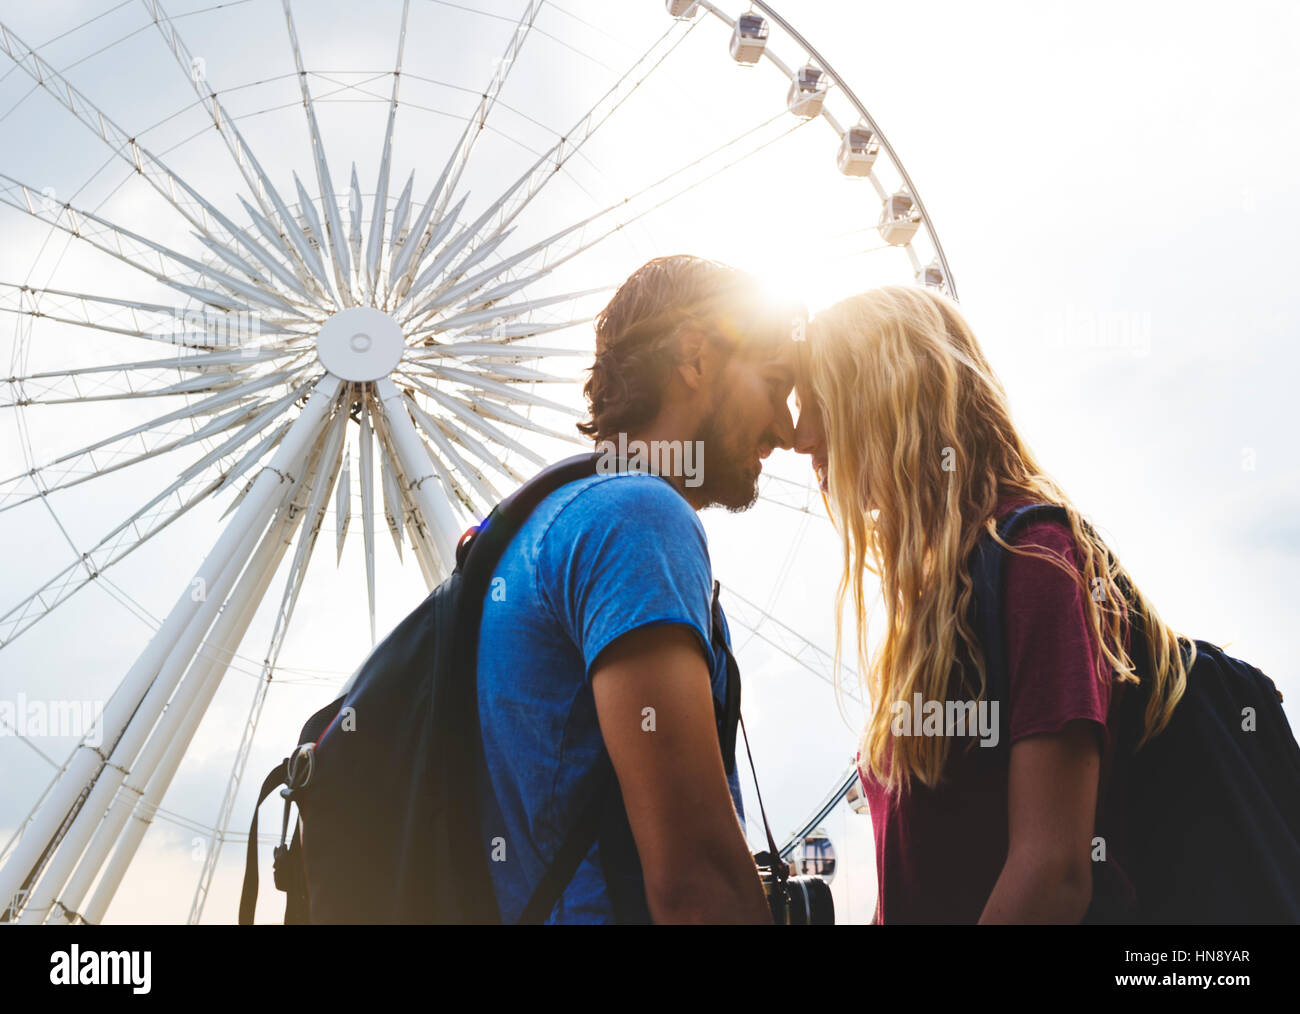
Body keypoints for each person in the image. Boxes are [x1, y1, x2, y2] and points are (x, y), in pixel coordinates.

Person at [792, 284, 1193, 923]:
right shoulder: (938, 595)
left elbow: (1054, 874)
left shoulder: (1038, 562)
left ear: (889, 399)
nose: (799, 433)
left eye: (817, 399)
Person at [476, 254, 800, 923]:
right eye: (773, 384)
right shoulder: (637, 521)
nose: (786, 430)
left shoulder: (541, 527)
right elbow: (695, 881)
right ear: (695, 357)